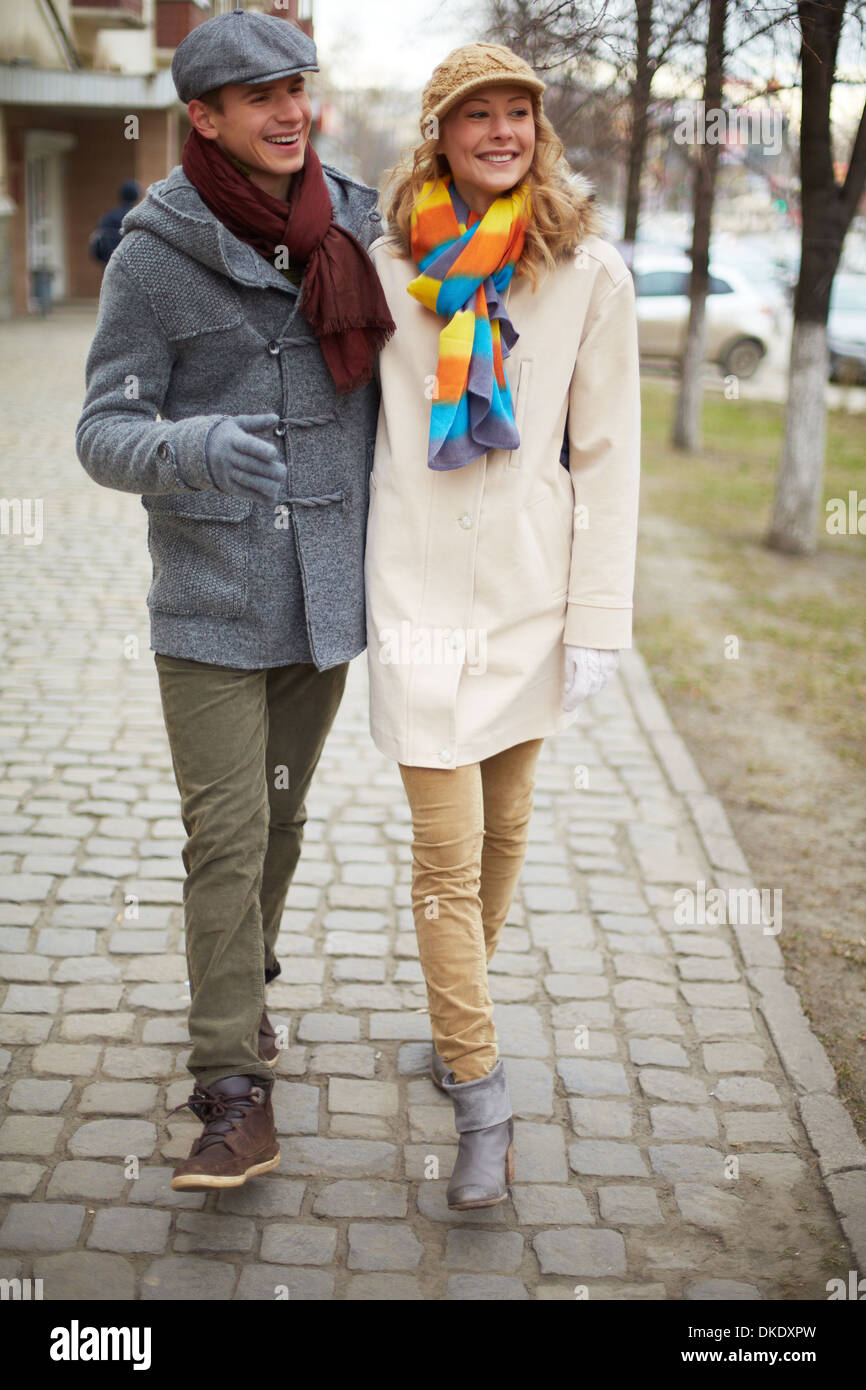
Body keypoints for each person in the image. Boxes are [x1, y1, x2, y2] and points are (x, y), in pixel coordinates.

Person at [75, 8, 394, 1192]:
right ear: (201, 117)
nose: (286, 110)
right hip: (210, 591)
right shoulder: (152, 253)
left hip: (325, 593)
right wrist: (193, 443)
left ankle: (241, 987)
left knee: (284, 819)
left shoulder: (356, 223)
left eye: (295, 87)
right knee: (228, 831)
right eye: (257, 96)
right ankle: (229, 1088)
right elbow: (102, 429)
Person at [365, 42, 641, 1209]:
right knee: (445, 849)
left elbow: (608, 455)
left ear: (539, 128)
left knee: (508, 825)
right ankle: (480, 1089)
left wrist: (597, 620)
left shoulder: (586, 270)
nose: (499, 132)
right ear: (438, 132)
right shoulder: (378, 266)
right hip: (417, 595)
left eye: (516, 114)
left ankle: (449, 1012)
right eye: (475, 115)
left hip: (532, 593)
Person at [89, 180, 141, 265]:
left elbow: (96, 243)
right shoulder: (138, 218)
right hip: (133, 267)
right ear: (137, 196)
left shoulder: (107, 217)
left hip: (109, 266)